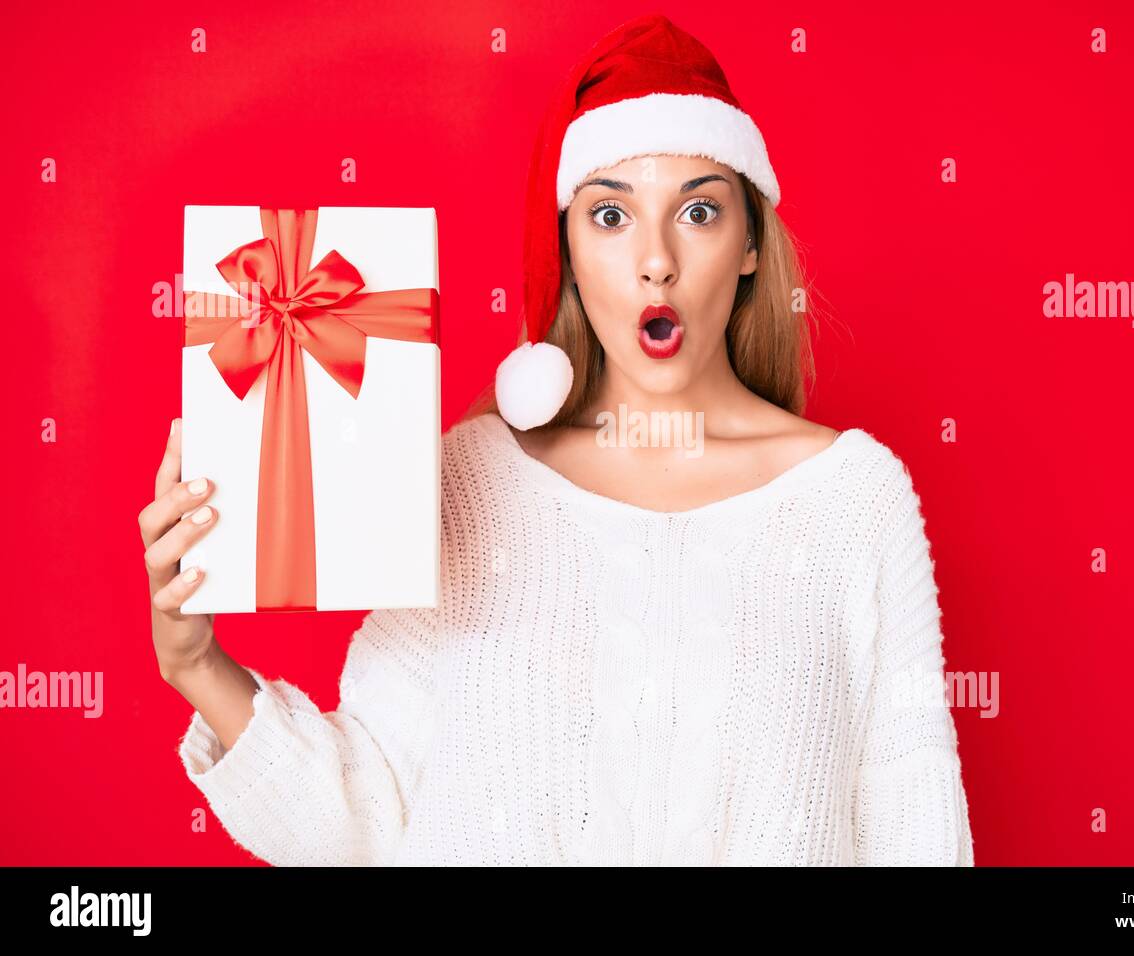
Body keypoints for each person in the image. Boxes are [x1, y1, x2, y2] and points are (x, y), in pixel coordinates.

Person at [142, 13, 975, 866]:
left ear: (751, 244)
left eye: (697, 210)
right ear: (569, 250)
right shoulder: (473, 479)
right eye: (610, 215)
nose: (656, 261)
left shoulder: (855, 503)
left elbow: (916, 835)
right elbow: (365, 816)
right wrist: (197, 662)